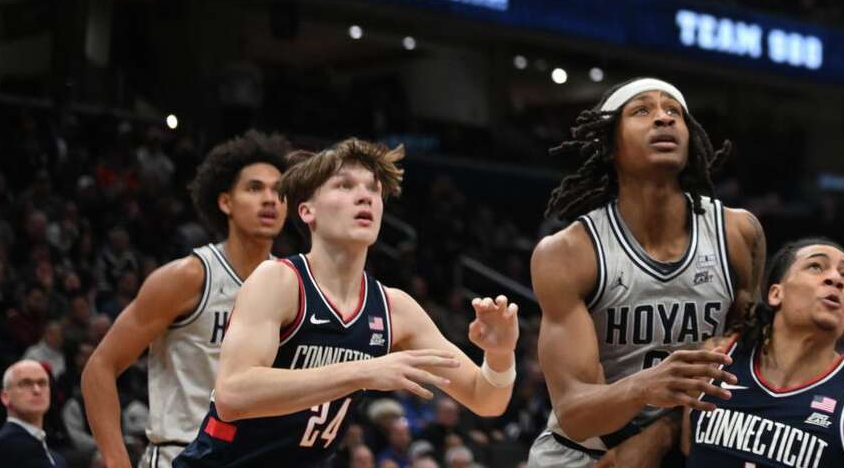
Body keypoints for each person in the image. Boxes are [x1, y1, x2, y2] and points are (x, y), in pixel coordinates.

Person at [170, 139, 520, 468]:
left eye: (373, 189)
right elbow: (233, 394)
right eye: (345, 186)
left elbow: (485, 399)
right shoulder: (279, 281)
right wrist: (363, 371)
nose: (365, 197)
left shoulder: (395, 308)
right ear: (307, 211)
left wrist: (500, 355)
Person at [530, 80, 766, 468]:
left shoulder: (737, 233)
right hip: (587, 452)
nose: (663, 118)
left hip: (687, 445)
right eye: (642, 110)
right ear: (610, 145)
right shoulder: (569, 252)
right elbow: (574, 413)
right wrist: (645, 387)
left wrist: (664, 430)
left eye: (674, 111)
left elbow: (751, 359)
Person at [82, 132, 292, 468]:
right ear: (225, 202)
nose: (270, 199)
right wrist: (117, 462)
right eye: (255, 188)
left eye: (278, 191)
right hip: (180, 453)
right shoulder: (189, 277)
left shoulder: (291, 286)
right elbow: (100, 367)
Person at [683, 238, 844, 468]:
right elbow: (684, 447)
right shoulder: (714, 357)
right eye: (816, 266)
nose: (836, 279)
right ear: (776, 294)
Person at [0, 362, 60, 468]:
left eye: (42, 383)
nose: (37, 390)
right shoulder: (9, 444)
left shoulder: (54, 456)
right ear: (5, 397)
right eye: (26, 384)